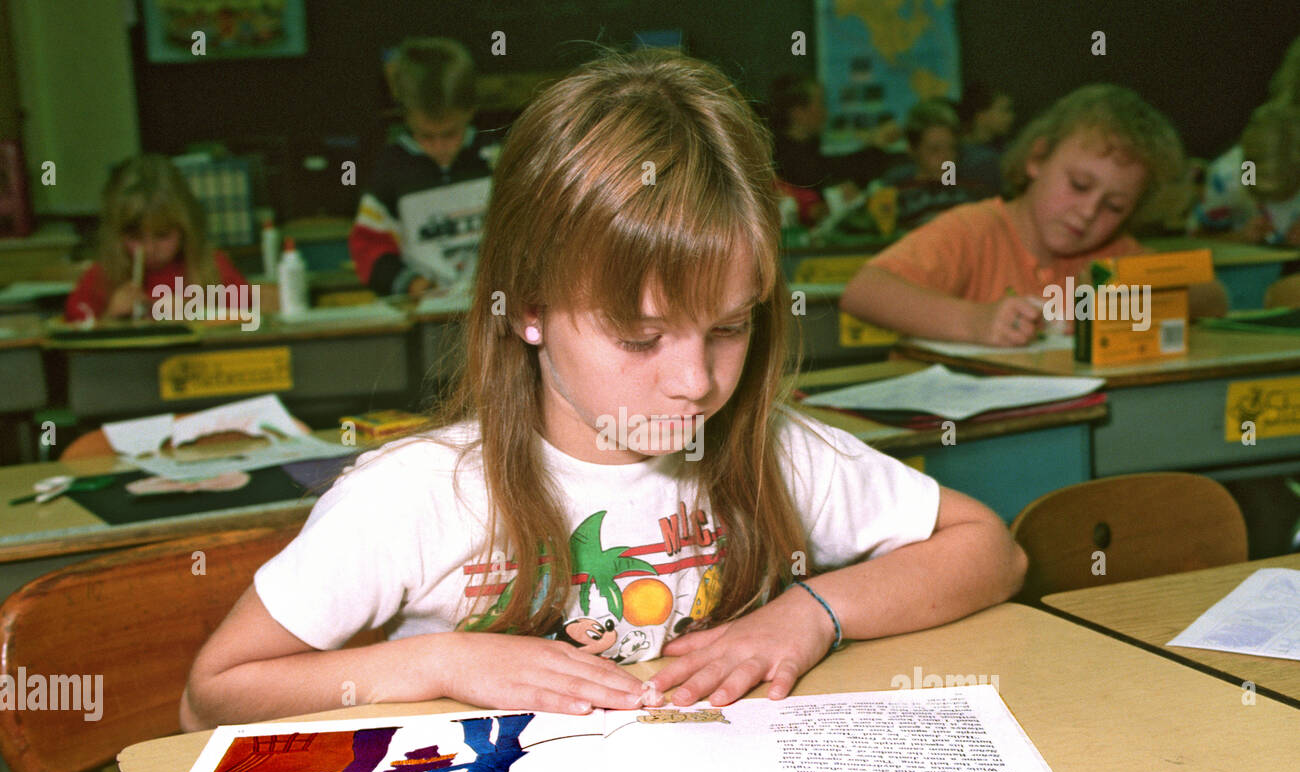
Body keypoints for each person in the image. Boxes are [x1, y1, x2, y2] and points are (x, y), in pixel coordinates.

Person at [181, 50, 1025, 731]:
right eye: (640, 337)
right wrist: (445, 663)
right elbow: (212, 693)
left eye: (730, 327)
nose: (696, 382)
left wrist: (809, 615)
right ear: (530, 308)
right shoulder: (414, 495)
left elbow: (991, 547)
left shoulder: (771, 447)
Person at [840, 84, 1227, 347]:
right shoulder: (974, 229)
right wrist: (975, 322)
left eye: (1114, 207)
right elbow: (864, 291)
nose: (1089, 213)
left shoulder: (1112, 255)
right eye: (1078, 184)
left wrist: (1129, 299)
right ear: (1037, 159)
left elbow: (1212, 298)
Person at [349, 37, 496, 299]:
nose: (440, 147)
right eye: (426, 136)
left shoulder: (496, 160)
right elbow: (367, 247)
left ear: (470, 111)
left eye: (450, 134)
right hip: (425, 311)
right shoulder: (392, 170)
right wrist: (410, 283)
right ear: (407, 118)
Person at [64, 155, 248, 323]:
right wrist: (111, 317)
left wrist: (199, 311)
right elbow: (73, 330)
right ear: (116, 235)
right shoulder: (101, 277)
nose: (149, 249)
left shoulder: (212, 266)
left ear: (186, 230)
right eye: (135, 237)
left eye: (162, 235)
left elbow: (251, 316)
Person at [768, 74, 895, 222]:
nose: (826, 112)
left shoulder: (806, 151)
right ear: (798, 113)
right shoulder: (787, 159)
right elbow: (830, 174)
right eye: (820, 104)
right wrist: (876, 147)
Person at [1191, 101, 1300, 247]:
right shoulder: (1227, 176)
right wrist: (1239, 237)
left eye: (1283, 194)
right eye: (1262, 195)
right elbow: (1194, 240)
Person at [878, 99, 990, 231]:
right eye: (934, 149)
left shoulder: (975, 193)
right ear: (912, 150)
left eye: (951, 148)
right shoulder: (897, 196)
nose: (946, 156)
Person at [956, 82, 1015, 195]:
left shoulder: (1009, 150)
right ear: (981, 114)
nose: (1011, 117)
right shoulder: (954, 153)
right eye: (1004, 110)